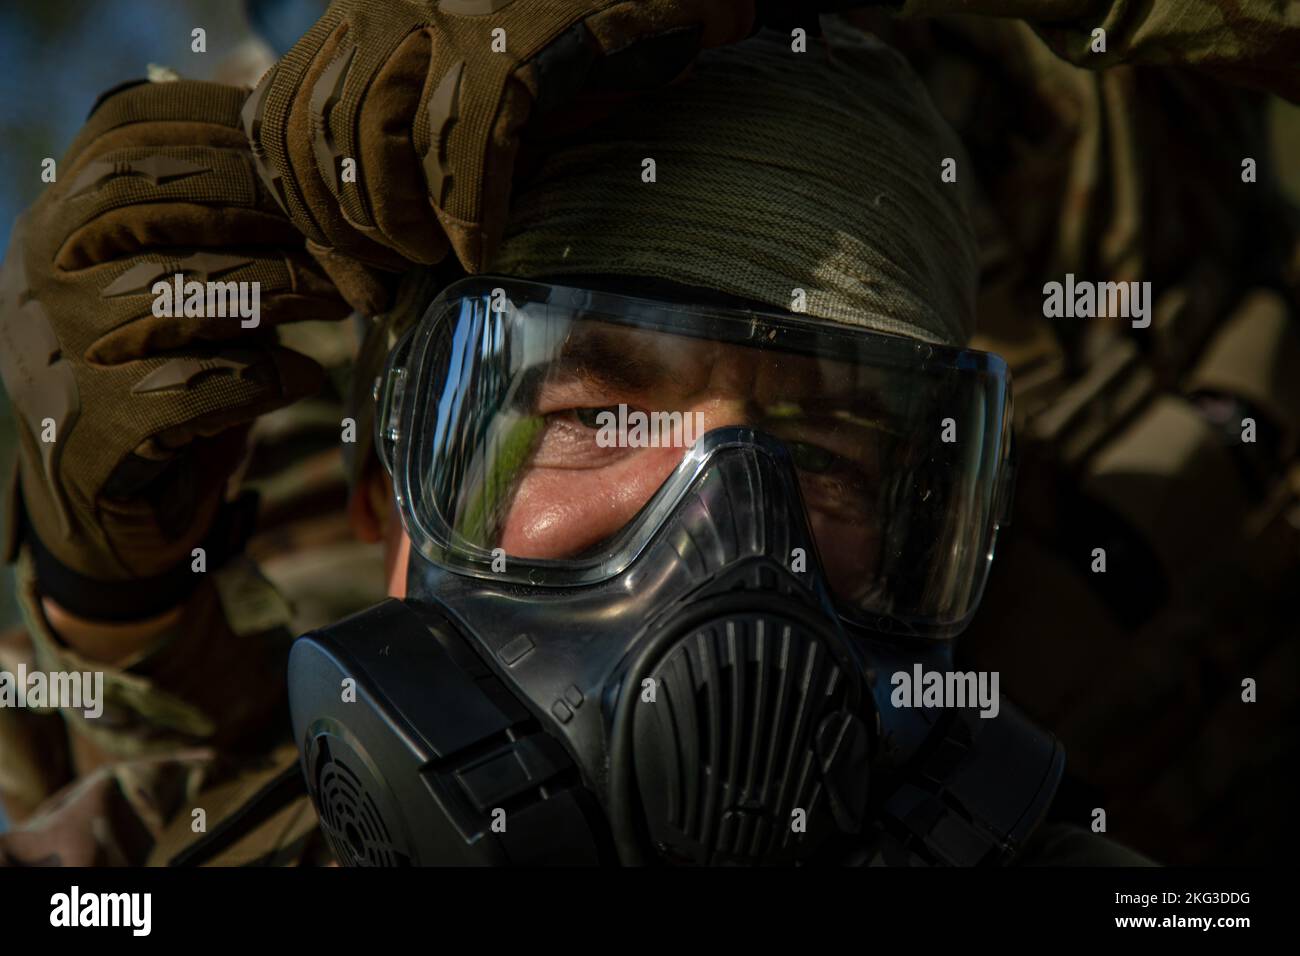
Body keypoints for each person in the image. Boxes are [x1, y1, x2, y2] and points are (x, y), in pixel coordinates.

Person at [2, 0, 1294, 864]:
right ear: (388, 505)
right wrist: (120, 619)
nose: (731, 539)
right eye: (593, 412)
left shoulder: (1139, 211)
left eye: (831, 452)